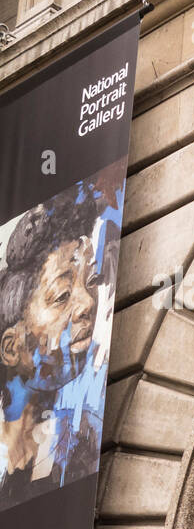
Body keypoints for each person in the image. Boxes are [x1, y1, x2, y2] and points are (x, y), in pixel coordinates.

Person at [0, 169, 121, 511]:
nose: (87, 304)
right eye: (62, 294)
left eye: (93, 279)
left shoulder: (85, 441)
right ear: (11, 347)